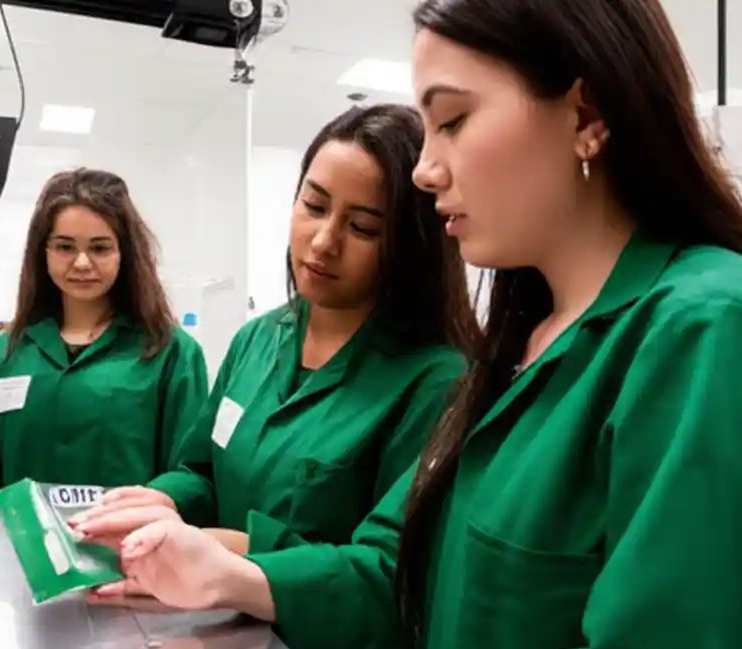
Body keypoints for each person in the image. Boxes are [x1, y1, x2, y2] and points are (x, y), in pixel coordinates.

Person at [66, 1, 742, 649]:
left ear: (585, 112)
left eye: (451, 121)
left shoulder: (726, 333)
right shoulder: (520, 354)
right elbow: (400, 577)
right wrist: (222, 574)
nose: (425, 168)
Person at [72, 104, 480, 562]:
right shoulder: (257, 340)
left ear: (410, 245)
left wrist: (234, 553)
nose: (324, 241)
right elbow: (201, 470)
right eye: (314, 206)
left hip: (289, 611)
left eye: (363, 228)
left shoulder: (436, 382)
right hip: (205, 601)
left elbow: (388, 569)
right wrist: (163, 500)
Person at [0, 168, 208, 507]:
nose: (81, 263)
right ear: (43, 252)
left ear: (125, 254)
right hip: (20, 540)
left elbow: (191, 472)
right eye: (65, 247)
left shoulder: (170, 352)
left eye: (100, 248)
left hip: (128, 540)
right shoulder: (6, 354)